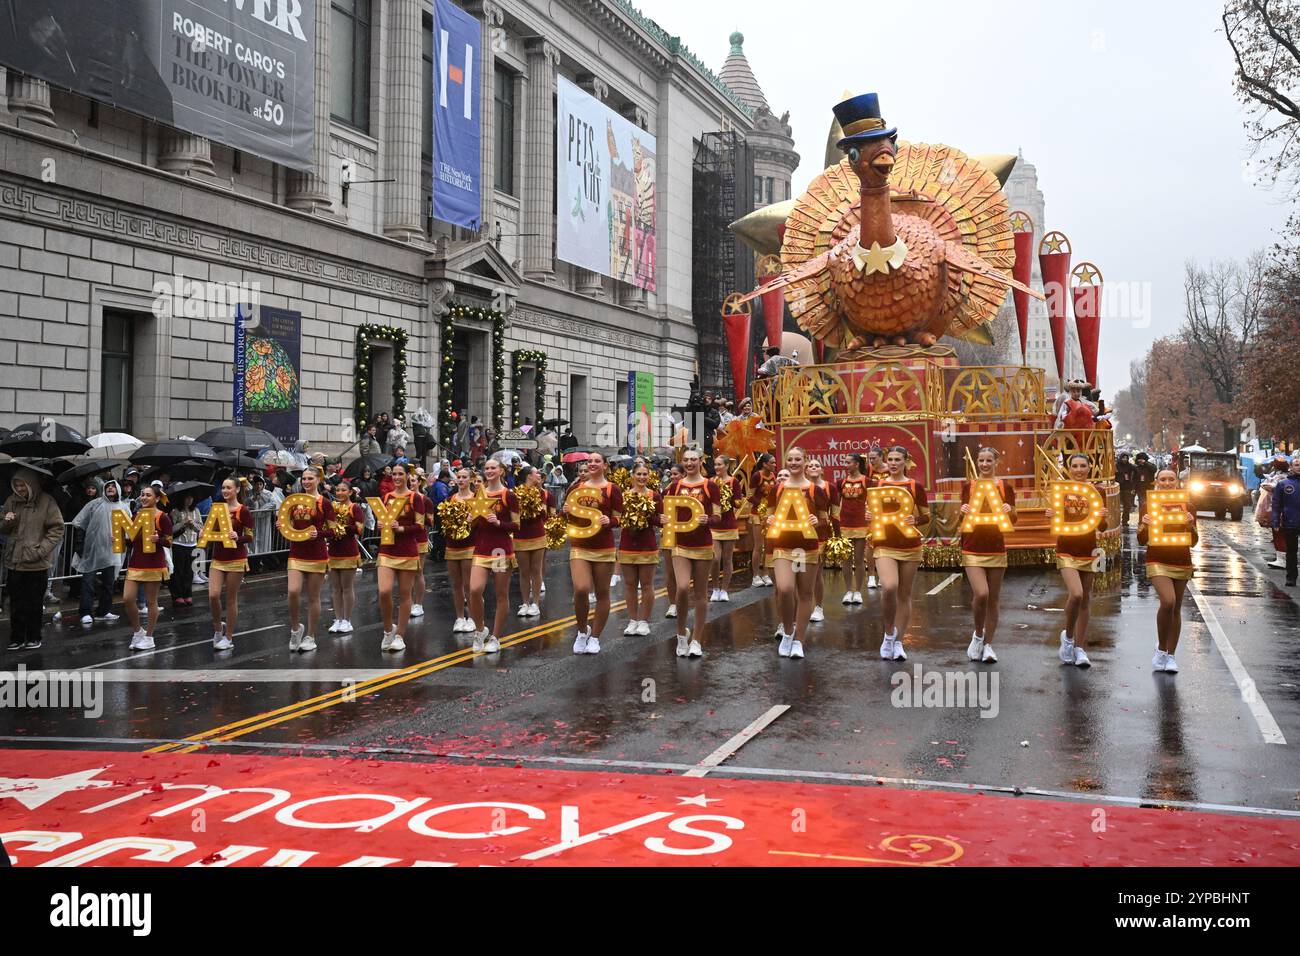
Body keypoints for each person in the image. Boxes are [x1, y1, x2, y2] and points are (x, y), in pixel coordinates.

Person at [765, 447, 829, 659]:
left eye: (797, 459)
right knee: (784, 589)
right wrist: (770, 520)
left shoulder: (815, 490)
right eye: (790, 459)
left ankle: (799, 640)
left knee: (804, 594)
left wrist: (816, 522)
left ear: (805, 461)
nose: (793, 463)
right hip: (783, 546)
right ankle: (788, 632)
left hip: (805, 548)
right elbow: (768, 514)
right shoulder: (777, 489)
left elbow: (824, 520)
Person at [1045, 453, 1107, 668]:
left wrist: (1103, 517)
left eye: (1083, 465)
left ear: (1089, 467)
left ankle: (1080, 648)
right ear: (1068, 469)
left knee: (1085, 599)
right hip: (1066, 549)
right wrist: (1052, 514)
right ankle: (1068, 637)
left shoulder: (1097, 491)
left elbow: (1103, 527)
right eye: (1075, 466)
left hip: (1088, 549)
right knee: (1077, 594)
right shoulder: (1062, 492)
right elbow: (1057, 520)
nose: (1079, 469)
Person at [869, 446, 931, 661]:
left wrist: (916, 520)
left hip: (910, 545)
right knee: (889, 586)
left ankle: (898, 641)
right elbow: (871, 514)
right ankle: (888, 634)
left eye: (898, 459)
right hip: (884, 542)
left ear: (906, 461)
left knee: (904, 594)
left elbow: (926, 516)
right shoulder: (878, 485)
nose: (894, 463)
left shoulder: (915, 486)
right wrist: (869, 516)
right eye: (891, 459)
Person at [960, 448, 1018, 663]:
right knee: (981, 594)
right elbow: (962, 521)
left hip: (996, 546)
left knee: (993, 599)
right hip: (972, 546)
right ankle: (978, 634)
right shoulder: (969, 486)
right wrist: (962, 511)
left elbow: (1014, 519)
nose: (984, 464)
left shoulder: (1004, 487)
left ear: (996, 462)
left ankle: (989, 645)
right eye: (981, 460)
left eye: (988, 460)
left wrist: (1008, 510)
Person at [663, 448, 721, 658]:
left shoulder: (710, 485)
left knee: (700, 593)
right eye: (686, 460)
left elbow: (718, 516)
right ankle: (680, 634)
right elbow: (664, 511)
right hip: (680, 544)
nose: (689, 463)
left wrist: (708, 519)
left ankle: (696, 639)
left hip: (703, 545)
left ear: (700, 461)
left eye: (693, 460)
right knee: (681, 588)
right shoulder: (675, 485)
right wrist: (662, 519)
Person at [1139, 469, 1199, 673]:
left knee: (1176, 608)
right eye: (1162, 479)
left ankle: (1171, 655)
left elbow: (1195, 541)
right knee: (1168, 601)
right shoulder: (1148, 505)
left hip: (1181, 559)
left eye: (1170, 479)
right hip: (1157, 558)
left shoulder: (1188, 506)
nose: (1166, 482)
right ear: (1156, 481)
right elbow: (1141, 540)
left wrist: (1190, 524)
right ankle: (1161, 650)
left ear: (1177, 482)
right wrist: (1145, 525)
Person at [565, 451, 623, 654]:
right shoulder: (576, 487)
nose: (592, 464)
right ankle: (582, 631)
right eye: (589, 461)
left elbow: (619, 518)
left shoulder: (611, 489)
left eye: (597, 461)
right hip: (580, 545)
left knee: (602, 593)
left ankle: (595, 637)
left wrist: (610, 521)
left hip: (603, 548)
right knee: (580, 589)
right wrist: (566, 511)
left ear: (605, 465)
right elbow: (565, 514)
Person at [2, 468, 65, 651]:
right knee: (16, 603)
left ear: (31, 484)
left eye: (23, 485)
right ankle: (17, 637)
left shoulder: (47, 502)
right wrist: (7, 521)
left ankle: (34, 636)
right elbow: (3, 527)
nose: (19, 489)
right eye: (16, 485)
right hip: (14, 561)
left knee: (34, 603)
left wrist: (41, 550)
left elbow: (57, 528)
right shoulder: (11, 501)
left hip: (36, 563)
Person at [376, 462, 430, 652]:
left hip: (407, 550)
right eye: (394, 474)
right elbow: (379, 523)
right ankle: (387, 629)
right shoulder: (387, 497)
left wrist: (401, 528)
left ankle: (400, 634)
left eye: (400, 474)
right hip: (387, 549)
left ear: (408, 476)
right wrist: (381, 526)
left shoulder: (415, 498)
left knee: (405, 594)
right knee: (384, 591)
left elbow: (420, 526)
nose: (397, 477)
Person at [467, 458, 519, 653]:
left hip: (500, 551)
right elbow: (472, 527)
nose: (489, 471)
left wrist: (499, 523)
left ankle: (496, 637)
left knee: (500, 594)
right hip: (481, 549)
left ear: (501, 471)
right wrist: (470, 520)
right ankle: (480, 630)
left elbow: (516, 525)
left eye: (493, 468)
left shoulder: (508, 495)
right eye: (486, 468)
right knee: (474, 590)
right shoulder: (478, 494)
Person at [121, 484, 172, 651]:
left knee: (151, 602)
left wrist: (159, 540)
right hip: (136, 562)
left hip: (154, 563)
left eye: (148, 495)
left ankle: (149, 637)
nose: (143, 498)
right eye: (142, 494)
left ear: (157, 498)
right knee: (128, 598)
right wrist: (120, 540)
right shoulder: (136, 516)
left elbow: (169, 541)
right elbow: (133, 542)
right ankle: (138, 631)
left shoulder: (162, 517)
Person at [284, 467, 329, 652]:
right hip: (297, 552)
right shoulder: (293, 501)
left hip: (317, 553)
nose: (306, 481)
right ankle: (296, 629)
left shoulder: (324, 502)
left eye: (310, 478)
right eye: (304, 478)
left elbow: (335, 530)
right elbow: (287, 522)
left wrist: (319, 533)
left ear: (318, 480)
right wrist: (282, 524)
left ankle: (310, 636)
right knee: (293, 591)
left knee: (313, 597)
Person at [208, 477, 255, 651]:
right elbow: (210, 531)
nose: (225, 490)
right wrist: (203, 534)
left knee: (230, 598)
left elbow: (250, 537)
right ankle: (217, 629)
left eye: (228, 487)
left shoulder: (243, 511)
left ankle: (228, 637)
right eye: (223, 487)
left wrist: (238, 537)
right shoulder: (217, 509)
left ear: (236, 490)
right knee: (213, 595)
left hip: (236, 559)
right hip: (218, 558)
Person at [70, 478, 125, 625]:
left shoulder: (123, 507)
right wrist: (80, 545)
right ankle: (85, 612)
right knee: (88, 582)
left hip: (111, 551)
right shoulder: (94, 504)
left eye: (114, 486)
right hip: (92, 549)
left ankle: (104, 610)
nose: (111, 488)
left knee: (108, 582)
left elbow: (128, 529)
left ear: (118, 489)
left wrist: (121, 538)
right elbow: (80, 524)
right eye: (108, 486)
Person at [619, 462, 661, 636]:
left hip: (647, 544)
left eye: (645, 474)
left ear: (649, 476)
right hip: (627, 543)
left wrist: (654, 518)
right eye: (639, 474)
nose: (642, 477)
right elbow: (618, 517)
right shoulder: (624, 496)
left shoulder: (655, 495)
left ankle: (644, 621)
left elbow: (660, 520)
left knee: (646, 584)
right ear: (633, 476)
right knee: (629, 585)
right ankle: (632, 620)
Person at [326, 479, 365, 633]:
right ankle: (338, 618)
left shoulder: (354, 508)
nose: (340, 493)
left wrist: (342, 527)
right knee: (335, 589)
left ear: (350, 492)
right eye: (338, 490)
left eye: (343, 490)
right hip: (334, 550)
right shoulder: (332, 507)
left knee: (347, 588)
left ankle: (347, 620)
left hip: (348, 550)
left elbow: (359, 529)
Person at [443, 467, 478, 634]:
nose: (461, 480)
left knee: (468, 584)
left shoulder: (476, 498)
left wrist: (474, 519)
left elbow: (482, 523)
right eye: (459, 477)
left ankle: (472, 617)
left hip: (470, 545)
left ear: (471, 480)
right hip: (452, 545)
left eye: (464, 477)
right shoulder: (451, 498)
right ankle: (459, 618)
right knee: (456, 584)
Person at [513, 466, 551, 618]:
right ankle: (525, 603)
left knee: (536, 570)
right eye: (536, 473)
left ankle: (535, 603)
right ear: (529, 476)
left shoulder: (541, 492)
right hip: (521, 535)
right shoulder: (515, 493)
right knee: (524, 572)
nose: (539, 475)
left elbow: (544, 514)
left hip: (537, 534)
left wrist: (534, 505)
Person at [805, 458, 838, 622]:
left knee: (816, 572)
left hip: (821, 534)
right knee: (800, 571)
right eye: (810, 465)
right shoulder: (799, 487)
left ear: (822, 470)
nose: (813, 467)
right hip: (799, 535)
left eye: (816, 465)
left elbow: (835, 513)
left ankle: (818, 607)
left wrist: (837, 536)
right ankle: (804, 606)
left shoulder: (829, 487)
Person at [838, 454, 872, 604]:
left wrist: (871, 514)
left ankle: (858, 591)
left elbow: (873, 501)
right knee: (845, 560)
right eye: (845, 462)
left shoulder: (867, 481)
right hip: (845, 523)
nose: (846, 465)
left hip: (860, 523)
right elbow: (837, 502)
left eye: (848, 462)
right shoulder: (841, 482)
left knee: (858, 559)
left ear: (857, 464)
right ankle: (847, 591)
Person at [709, 455, 741, 603]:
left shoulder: (733, 481)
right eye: (715, 465)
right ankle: (715, 588)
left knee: (727, 559)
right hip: (714, 526)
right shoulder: (710, 482)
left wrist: (729, 499)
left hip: (728, 525)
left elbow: (738, 502)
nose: (717, 468)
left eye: (720, 465)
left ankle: (724, 590)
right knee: (715, 559)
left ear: (727, 466)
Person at [168, 491, 203, 608]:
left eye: (191, 498)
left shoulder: (196, 511)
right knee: (178, 571)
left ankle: (187, 594)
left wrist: (193, 524)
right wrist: (183, 522)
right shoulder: (175, 511)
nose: (189, 500)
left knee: (189, 571)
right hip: (178, 544)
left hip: (192, 544)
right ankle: (177, 596)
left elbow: (201, 528)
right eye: (187, 498)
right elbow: (171, 529)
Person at [748, 453, 778, 588]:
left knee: (769, 545)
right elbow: (749, 495)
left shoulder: (773, 476)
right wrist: (761, 505)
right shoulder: (757, 476)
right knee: (758, 546)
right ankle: (755, 575)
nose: (775, 465)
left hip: (770, 515)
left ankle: (766, 573)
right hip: (757, 515)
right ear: (765, 464)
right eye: (772, 462)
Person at [1258, 454, 1292, 570]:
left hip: (1279, 508)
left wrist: (1270, 486)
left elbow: (1277, 488)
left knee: (1279, 533)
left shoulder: (1283, 478)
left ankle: (1283, 559)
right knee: (1278, 533)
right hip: (1277, 507)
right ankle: (1282, 558)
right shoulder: (1278, 475)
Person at [1271, 452, 1300, 587]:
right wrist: (1275, 521)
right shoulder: (1283, 484)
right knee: (1291, 552)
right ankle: (1291, 577)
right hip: (1290, 522)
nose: (1299, 467)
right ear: (1291, 467)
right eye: (1297, 465)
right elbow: (1277, 505)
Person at [661, 462, 684, 616]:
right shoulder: (667, 490)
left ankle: (683, 602)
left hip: (685, 533)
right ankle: (673, 604)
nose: (674, 477)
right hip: (669, 532)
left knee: (682, 573)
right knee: (670, 572)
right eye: (672, 474)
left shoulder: (688, 489)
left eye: (677, 474)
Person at [1133, 452, 1157, 524]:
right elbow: (1134, 479)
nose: (1140, 461)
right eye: (1139, 460)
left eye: (1142, 459)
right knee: (1142, 504)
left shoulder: (1150, 466)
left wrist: (1145, 463)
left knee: (1150, 504)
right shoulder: (1136, 468)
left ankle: (1150, 518)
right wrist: (1134, 488)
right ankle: (1142, 520)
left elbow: (1154, 469)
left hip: (1149, 488)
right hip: (1140, 489)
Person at [1116, 451, 1136, 527]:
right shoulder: (1116, 465)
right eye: (1123, 458)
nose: (1124, 459)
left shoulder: (1130, 466)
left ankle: (1125, 521)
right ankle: (1116, 520)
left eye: (1126, 458)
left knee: (1127, 505)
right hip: (1118, 488)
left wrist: (1133, 483)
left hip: (1127, 487)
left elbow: (1137, 472)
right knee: (1117, 506)